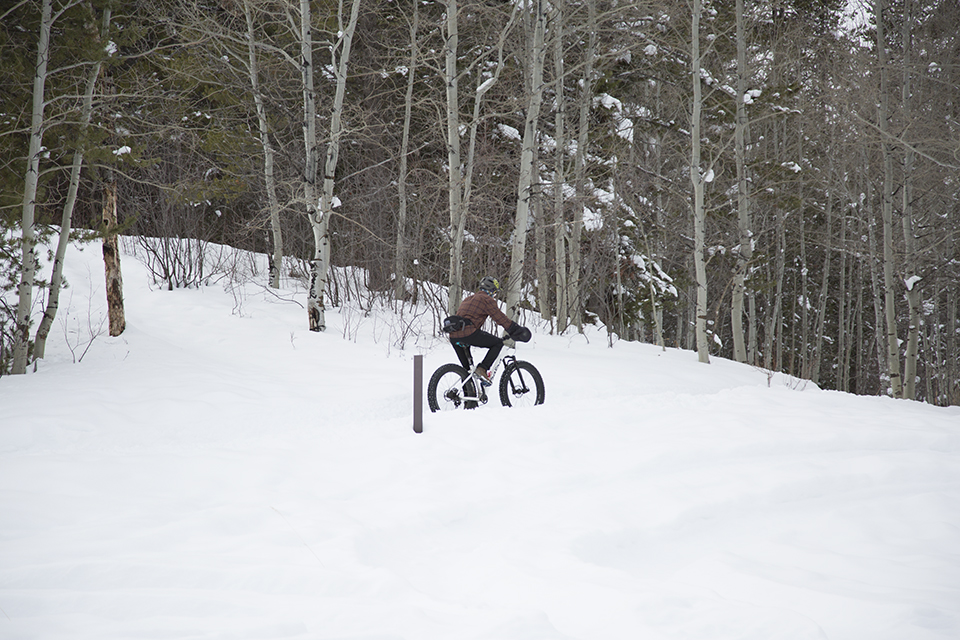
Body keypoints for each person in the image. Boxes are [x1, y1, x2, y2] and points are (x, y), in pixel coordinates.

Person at [446, 276, 531, 386]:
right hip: (468, 333)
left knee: (467, 372)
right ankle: (482, 369)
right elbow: (500, 318)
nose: (494, 295)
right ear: (492, 290)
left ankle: (469, 401)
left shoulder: (468, 299)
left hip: (454, 336)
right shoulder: (486, 299)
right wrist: (516, 330)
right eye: (495, 292)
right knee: (498, 343)